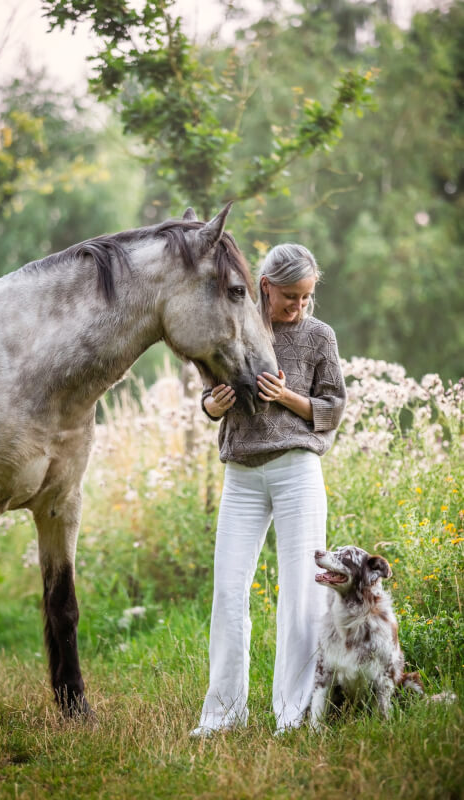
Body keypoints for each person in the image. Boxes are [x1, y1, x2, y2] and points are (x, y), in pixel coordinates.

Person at [190, 243, 347, 737]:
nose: (297, 307)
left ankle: (294, 713)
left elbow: (333, 408)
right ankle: (221, 715)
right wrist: (213, 406)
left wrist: (288, 397)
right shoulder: (232, 328)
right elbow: (208, 400)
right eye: (288, 297)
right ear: (264, 286)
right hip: (241, 474)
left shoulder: (320, 336)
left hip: (297, 470)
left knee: (301, 592)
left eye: (305, 297)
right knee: (229, 591)